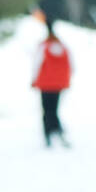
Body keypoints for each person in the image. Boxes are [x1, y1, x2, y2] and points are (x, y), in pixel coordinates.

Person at [32, 17, 72, 147]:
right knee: (54, 108)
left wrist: (33, 79)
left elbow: (36, 64)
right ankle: (58, 130)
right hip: (59, 83)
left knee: (46, 109)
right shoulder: (64, 47)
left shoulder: (43, 46)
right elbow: (72, 66)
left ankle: (49, 133)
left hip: (45, 83)